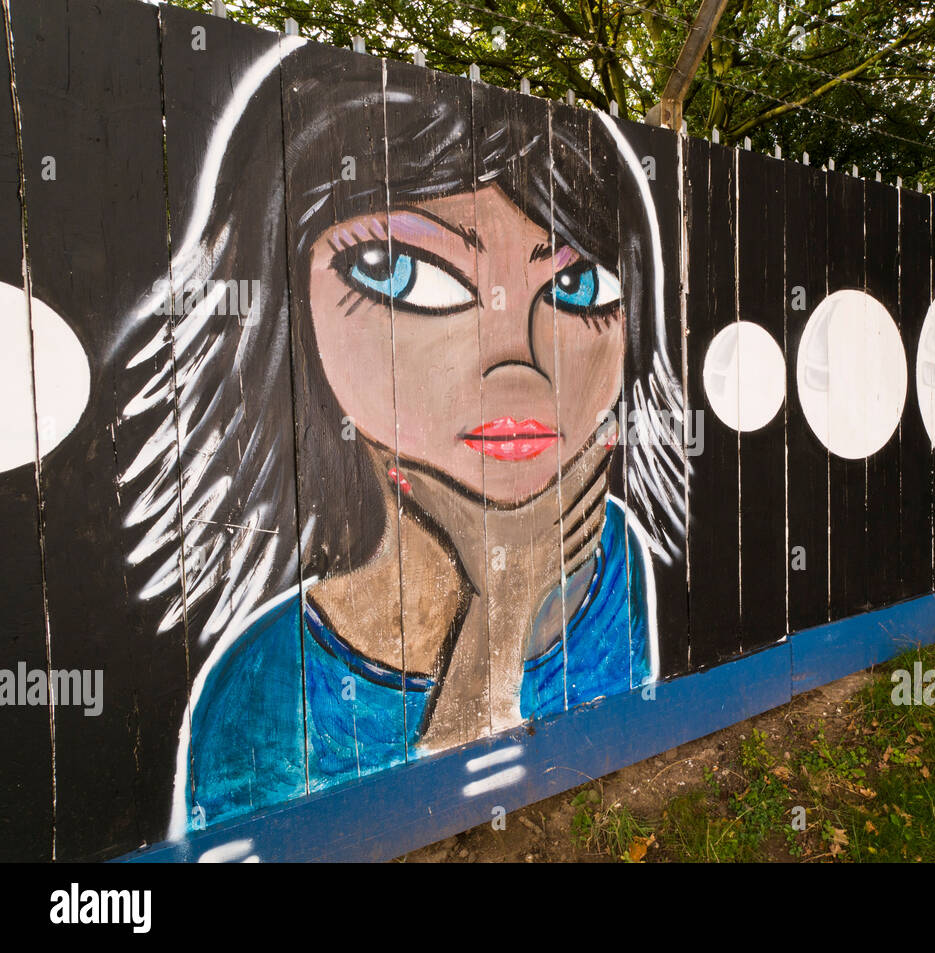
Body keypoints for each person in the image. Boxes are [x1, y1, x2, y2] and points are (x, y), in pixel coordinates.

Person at [112, 44, 687, 838]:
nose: (518, 364)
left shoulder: (613, 557)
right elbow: (455, 823)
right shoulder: (262, 696)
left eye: (577, 286)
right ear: (286, 310)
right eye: (401, 272)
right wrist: (502, 599)